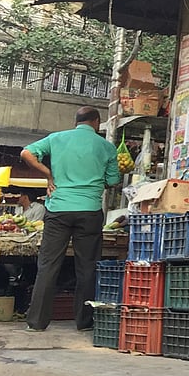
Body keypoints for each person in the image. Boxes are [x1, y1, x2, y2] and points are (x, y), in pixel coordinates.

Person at [20, 107, 120, 332]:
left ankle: (36, 322)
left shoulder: (56, 138)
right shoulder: (106, 146)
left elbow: (26, 153)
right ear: (96, 122)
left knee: (48, 265)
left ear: (76, 121)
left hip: (58, 209)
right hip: (89, 211)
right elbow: (113, 180)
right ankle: (84, 321)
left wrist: (48, 174)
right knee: (87, 266)